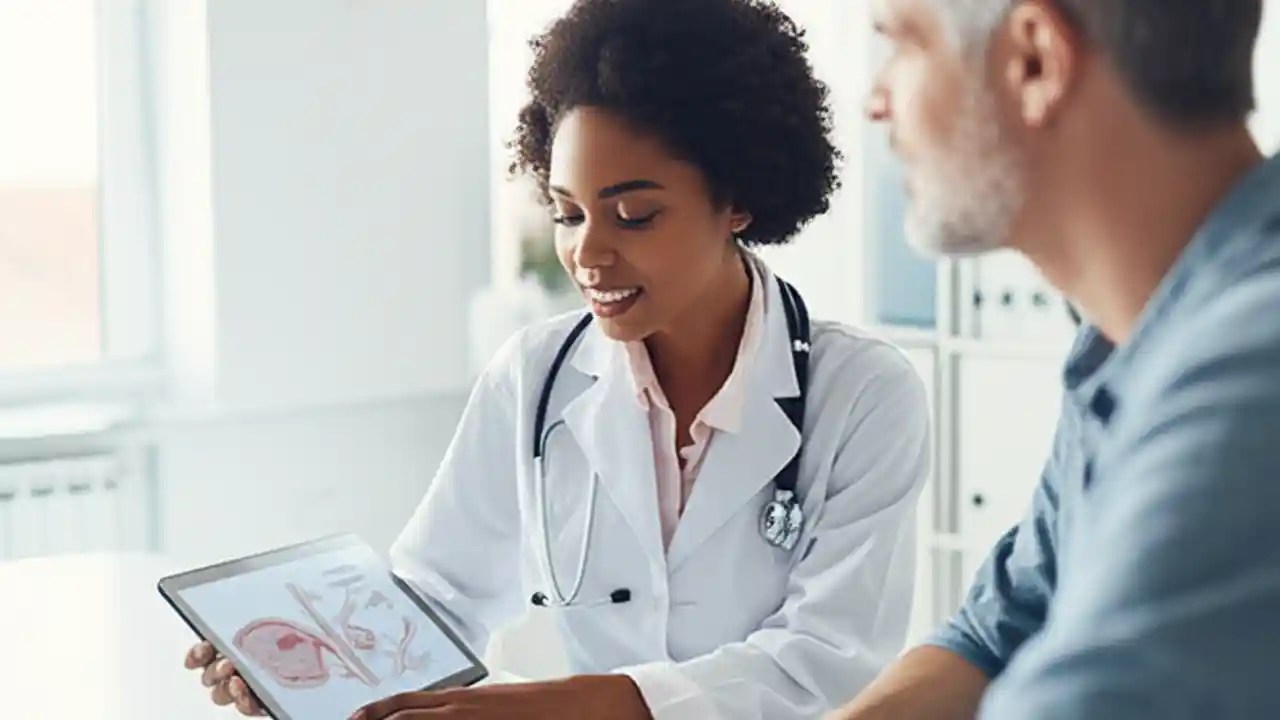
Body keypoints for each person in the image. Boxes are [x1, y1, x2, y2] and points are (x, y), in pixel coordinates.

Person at [186, 1, 931, 718]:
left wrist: (574, 706)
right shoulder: (536, 375)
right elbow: (439, 598)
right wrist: (303, 663)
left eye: (634, 215)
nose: (587, 253)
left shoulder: (862, 392)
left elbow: (827, 660)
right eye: (567, 212)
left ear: (735, 201)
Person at [832, 0, 1278, 718]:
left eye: (905, 46)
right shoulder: (1127, 343)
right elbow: (993, 638)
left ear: (1034, 62)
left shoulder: (1255, 374)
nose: (876, 102)